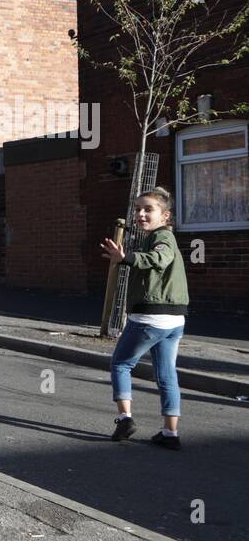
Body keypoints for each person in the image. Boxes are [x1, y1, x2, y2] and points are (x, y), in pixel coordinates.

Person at [99, 186, 189, 450]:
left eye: (148, 209)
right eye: (138, 209)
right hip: (174, 320)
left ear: (166, 216)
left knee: (121, 364)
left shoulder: (163, 238)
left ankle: (124, 418)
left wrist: (126, 257)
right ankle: (170, 434)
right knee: (167, 374)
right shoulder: (154, 237)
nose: (141, 214)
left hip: (151, 317)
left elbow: (160, 259)